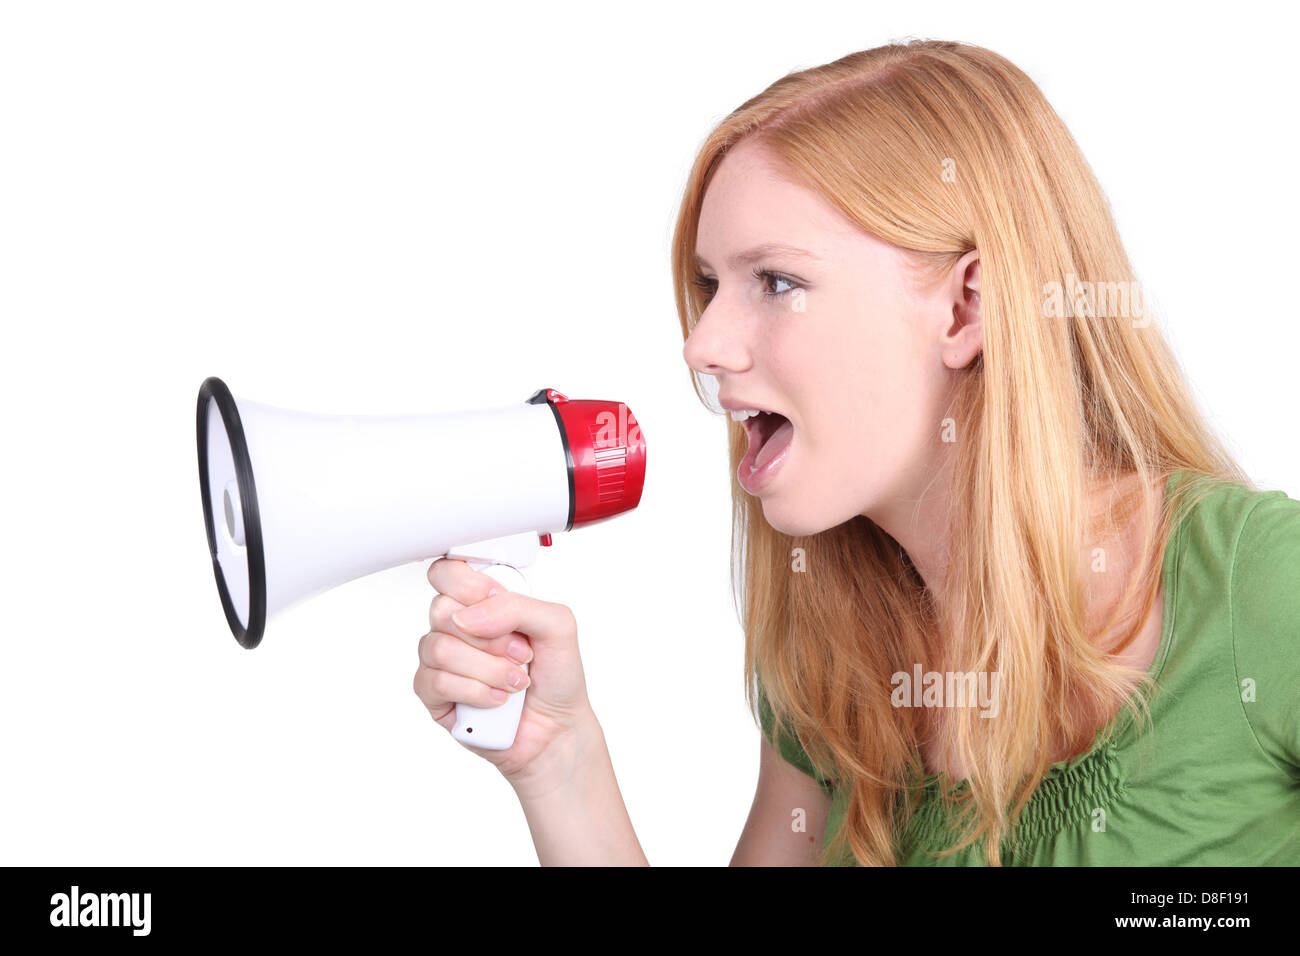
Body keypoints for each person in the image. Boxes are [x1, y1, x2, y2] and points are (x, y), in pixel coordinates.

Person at [413, 39, 1300, 866]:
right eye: (711, 285)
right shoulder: (829, 661)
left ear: (966, 310)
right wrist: (561, 761)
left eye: (778, 282)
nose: (703, 344)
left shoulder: (1263, 589)